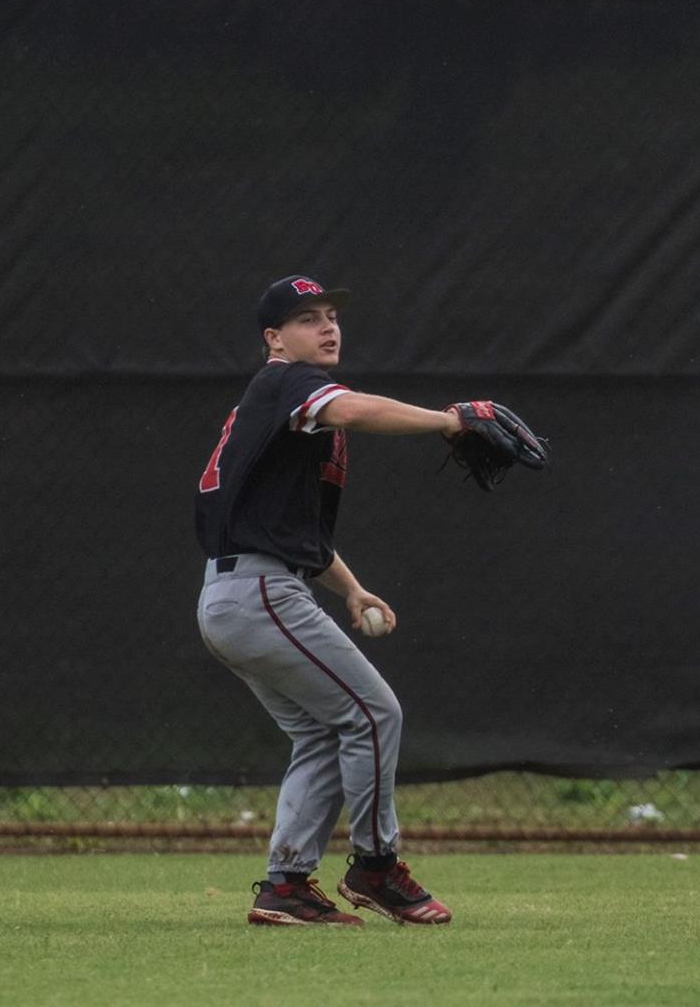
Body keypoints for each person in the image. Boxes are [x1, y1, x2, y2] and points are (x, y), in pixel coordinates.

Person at [194, 274, 463, 928]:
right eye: (307, 317)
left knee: (323, 731)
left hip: (233, 592)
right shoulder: (289, 382)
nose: (328, 326)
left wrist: (350, 587)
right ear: (273, 338)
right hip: (259, 591)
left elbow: (286, 529)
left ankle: (284, 886)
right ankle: (376, 866)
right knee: (376, 714)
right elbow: (356, 410)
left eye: (330, 315)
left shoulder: (281, 400)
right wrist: (450, 422)